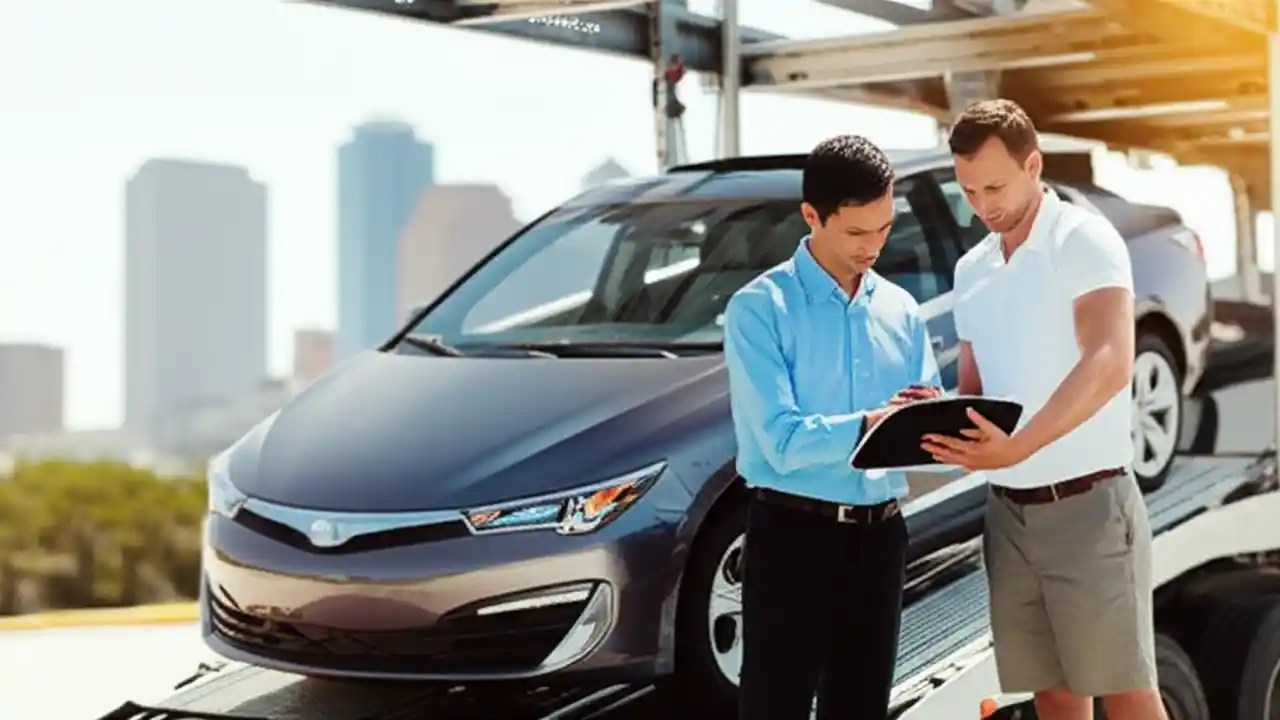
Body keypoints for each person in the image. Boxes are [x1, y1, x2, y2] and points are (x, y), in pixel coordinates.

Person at [921, 99, 1164, 720]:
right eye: (969, 190)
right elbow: (977, 391)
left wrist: (1020, 446)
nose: (983, 205)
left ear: (1034, 165)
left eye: (995, 186)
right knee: (1052, 695)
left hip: (1089, 508)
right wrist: (932, 411)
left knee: (1129, 695)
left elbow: (1110, 360)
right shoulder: (972, 267)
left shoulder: (1082, 240)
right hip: (1007, 515)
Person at [722, 134, 941, 720]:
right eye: (856, 232)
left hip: (883, 540)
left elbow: (925, 425)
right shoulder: (758, 309)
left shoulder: (901, 309)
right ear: (811, 216)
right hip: (794, 537)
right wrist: (875, 422)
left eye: (885, 229)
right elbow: (783, 441)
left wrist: (940, 421)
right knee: (777, 707)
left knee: (862, 709)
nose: (873, 247)